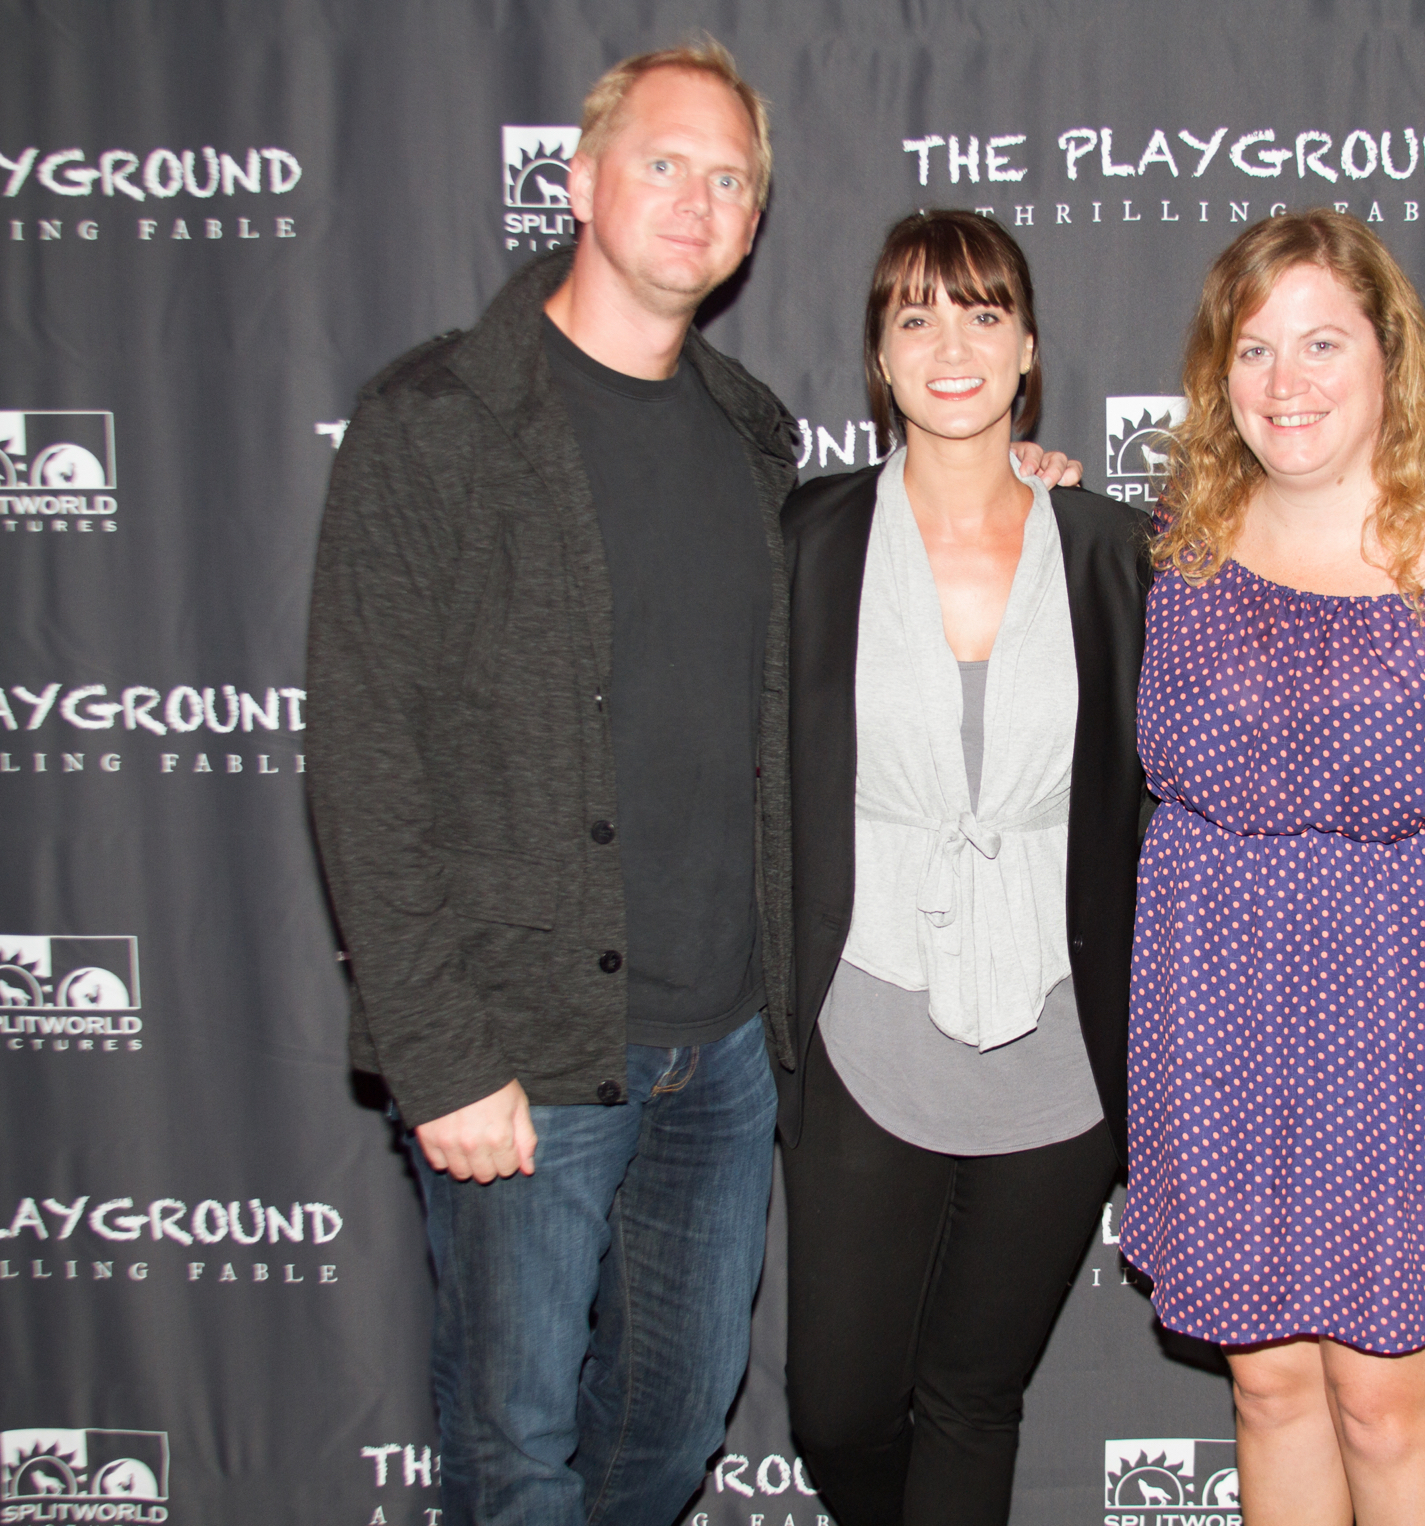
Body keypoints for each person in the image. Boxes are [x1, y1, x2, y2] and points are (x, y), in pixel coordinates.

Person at [306, 43, 1078, 1526]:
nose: (696, 198)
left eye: (730, 178)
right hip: (522, 1054)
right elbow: (361, 758)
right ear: (583, 181)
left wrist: (1010, 479)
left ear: (750, 226)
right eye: (663, 162)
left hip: (725, 1054)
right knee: (515, 1443)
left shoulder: (751, 434)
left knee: (670, 1424)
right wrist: (439, 1052)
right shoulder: (435, 423)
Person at [1119, 209, 1425, 1526]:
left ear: (1392, 357)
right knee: (1268, 1390)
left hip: (1406, 1032)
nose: (1287, 382)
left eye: (1322, 342)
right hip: (1214, 1019)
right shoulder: (1174, 550)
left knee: (1386, 1404)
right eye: (1256, 347)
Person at [779, 210, 1149, 1525]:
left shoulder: (1115, 553)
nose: (951, 344)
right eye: (916, 315)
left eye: (983, 312)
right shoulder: (804, 544)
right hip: (864, 1020)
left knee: (972, 1394)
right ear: (878, 356)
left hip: (1061, 1051)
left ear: (1027, 349)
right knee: (835, 1405)